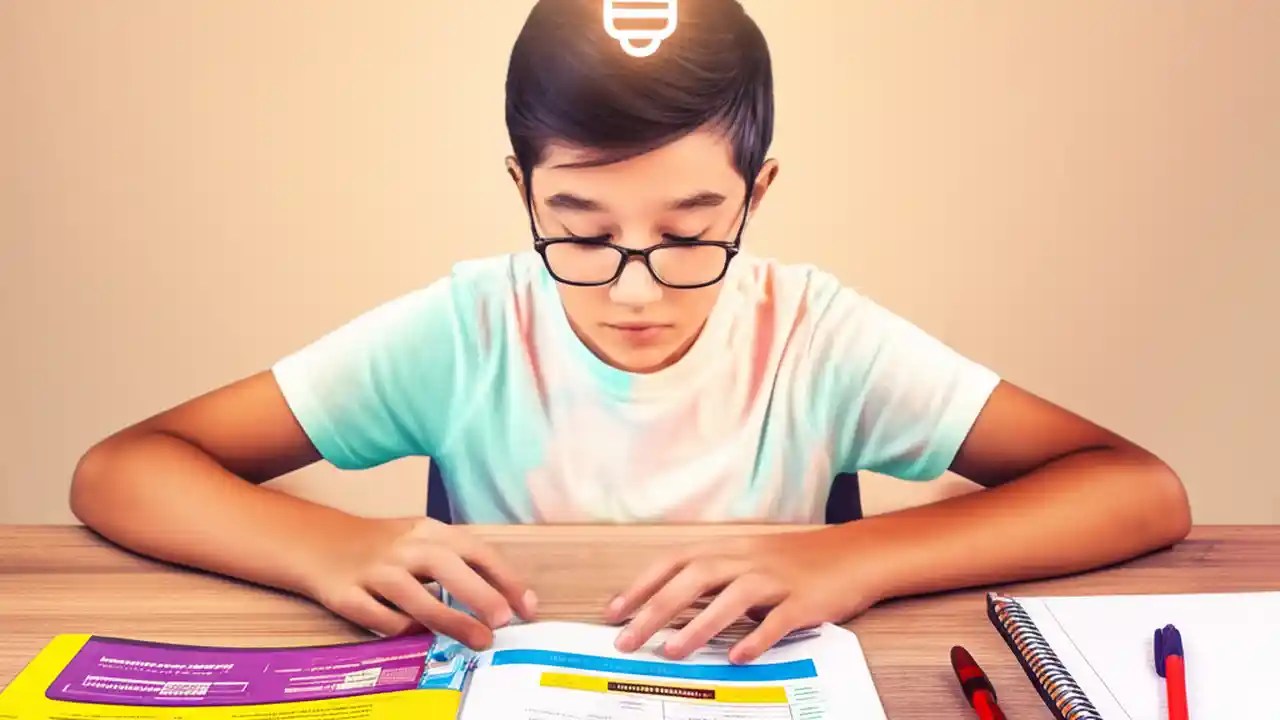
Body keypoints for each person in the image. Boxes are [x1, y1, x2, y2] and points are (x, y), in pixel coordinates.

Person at [68, 0, 1191, 666]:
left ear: (755, 194)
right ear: (522, 191)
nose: (637, 290)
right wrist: (326, 549)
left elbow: (1136, 490)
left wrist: (855, 558)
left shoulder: (815, 333)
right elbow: (123, 469)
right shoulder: (465, 328)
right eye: (582, 231)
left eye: (691, 232)